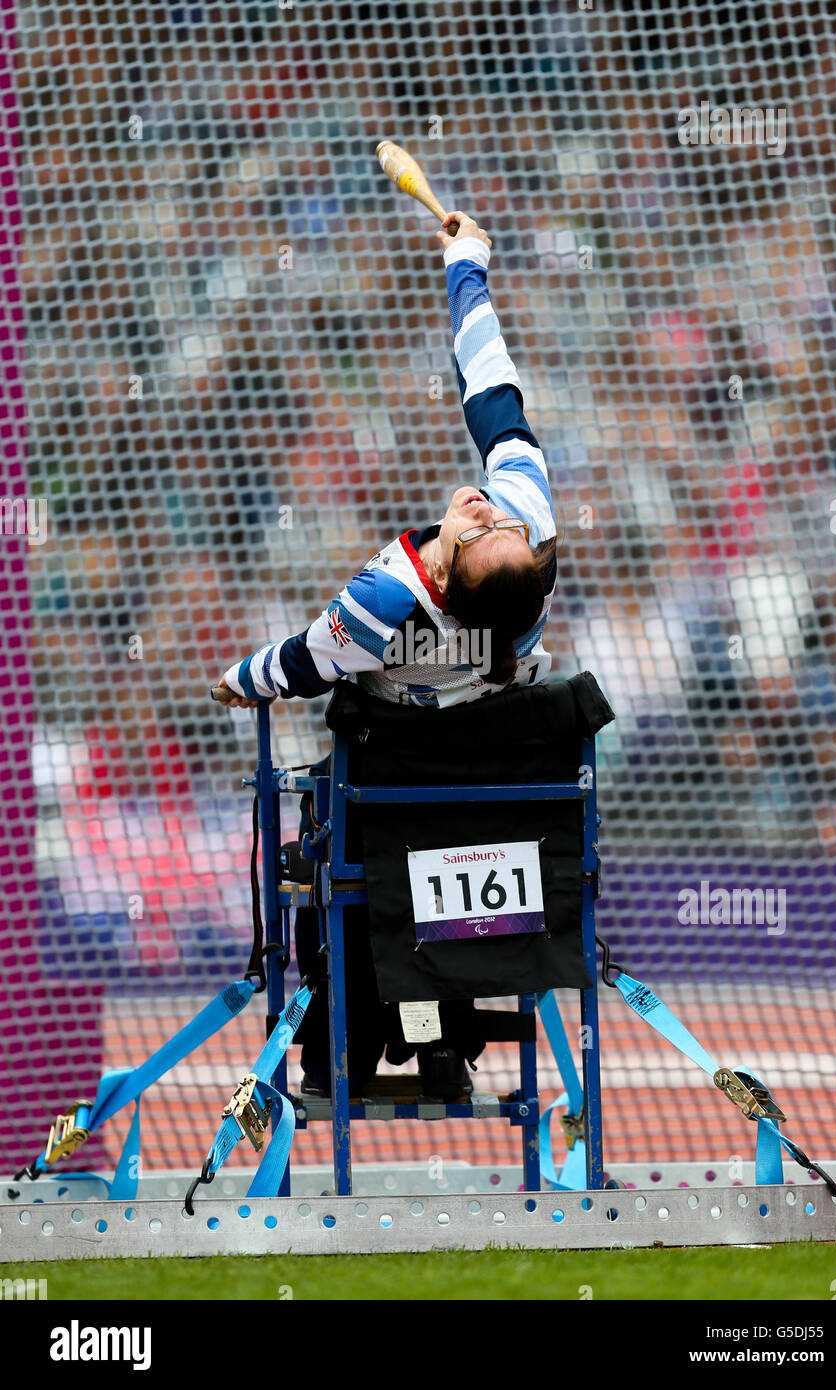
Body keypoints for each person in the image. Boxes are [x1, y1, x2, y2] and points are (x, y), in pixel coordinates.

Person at [216, 210, 558, 1099]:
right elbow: (492, 390)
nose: (489, 507)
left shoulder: (385, 604)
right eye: (501, 516)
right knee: (430, 851)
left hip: (386, 784)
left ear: (450, 575)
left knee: (330, 860)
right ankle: (444, 1040)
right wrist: (468, 265)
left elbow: (295, 667)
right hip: (493, 789)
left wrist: (234, 681)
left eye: (484, 525)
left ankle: (340, 1055)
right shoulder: (531, 544)